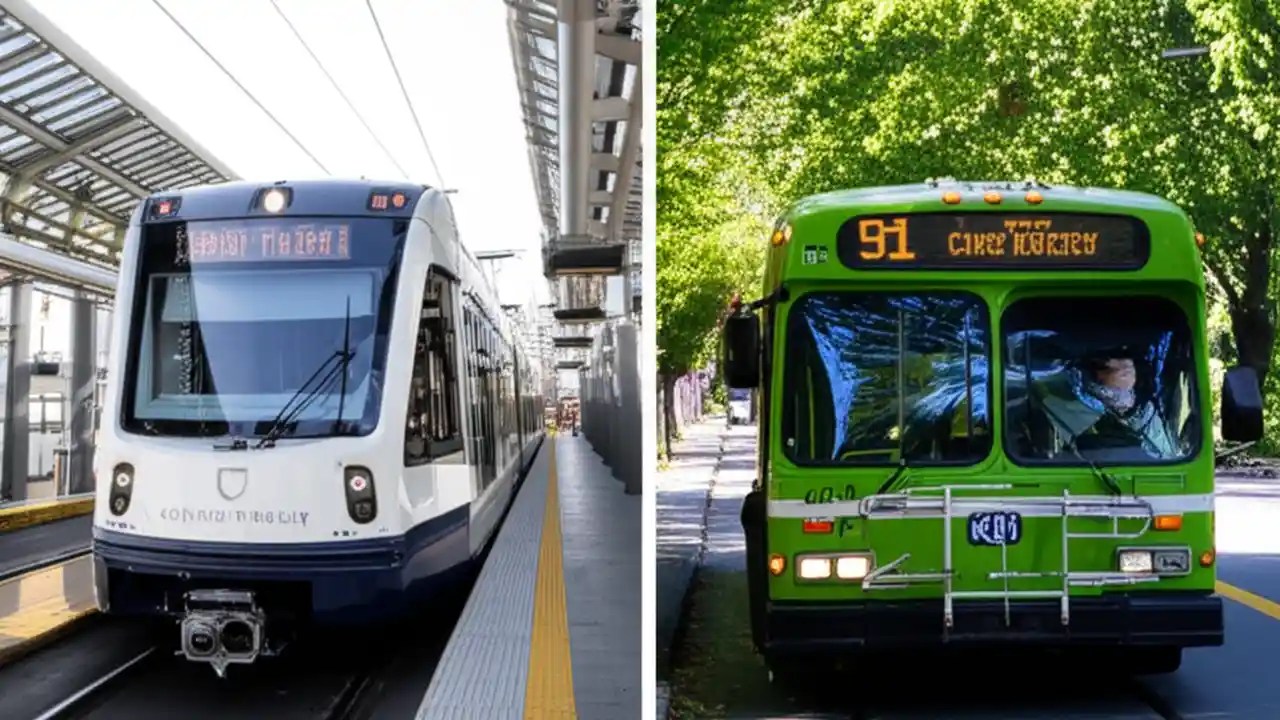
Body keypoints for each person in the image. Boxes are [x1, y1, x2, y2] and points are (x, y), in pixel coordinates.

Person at [1034, 348, 1177, 459]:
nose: (1124, 371)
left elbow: (1167, 458)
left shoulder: (1152, 419)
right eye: (1103, 367)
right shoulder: (1063, 400)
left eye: (1126, 368)